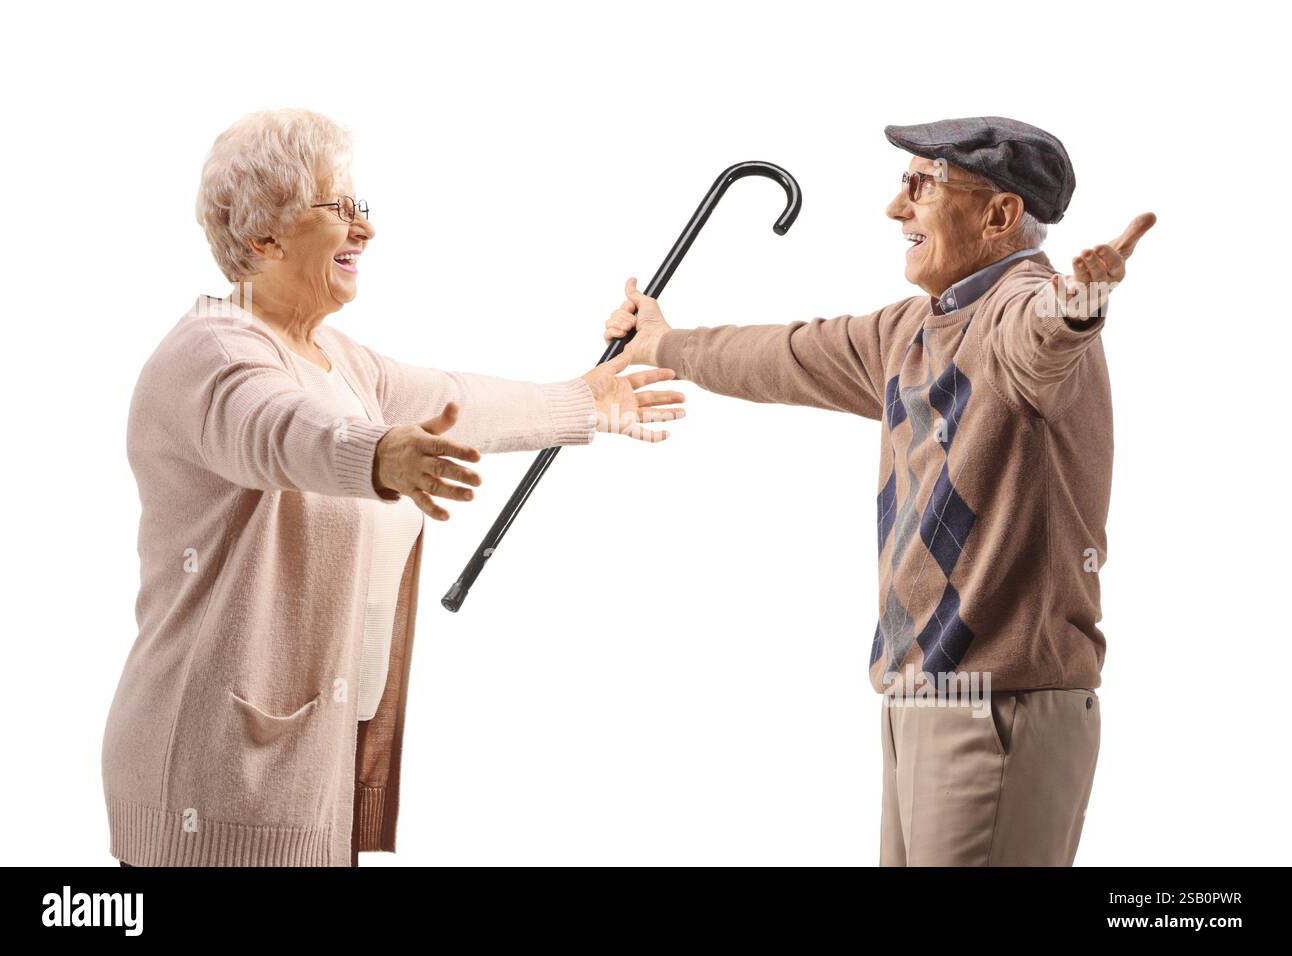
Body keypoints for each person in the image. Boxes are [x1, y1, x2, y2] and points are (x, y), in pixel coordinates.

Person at [102, 108, 685, 866]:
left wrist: (586, 401)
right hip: (212, 791)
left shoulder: (339, 360)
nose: (364, 229)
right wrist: (378, 456)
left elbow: (457, 398)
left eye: (360, 208)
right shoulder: (213, 356)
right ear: (263, 237)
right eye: (337, 208)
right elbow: (281, 432)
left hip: (304, 777)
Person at [603, 116, 1156, 866]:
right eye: (905, 184)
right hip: (923, 701)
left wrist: (1080, 304)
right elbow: (786, 353)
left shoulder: (1017, 309)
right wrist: (663, 344)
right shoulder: (912, 330)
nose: (896, 208)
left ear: (999, 215)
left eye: (921, 186)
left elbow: (1043, 339)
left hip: (999, 707)